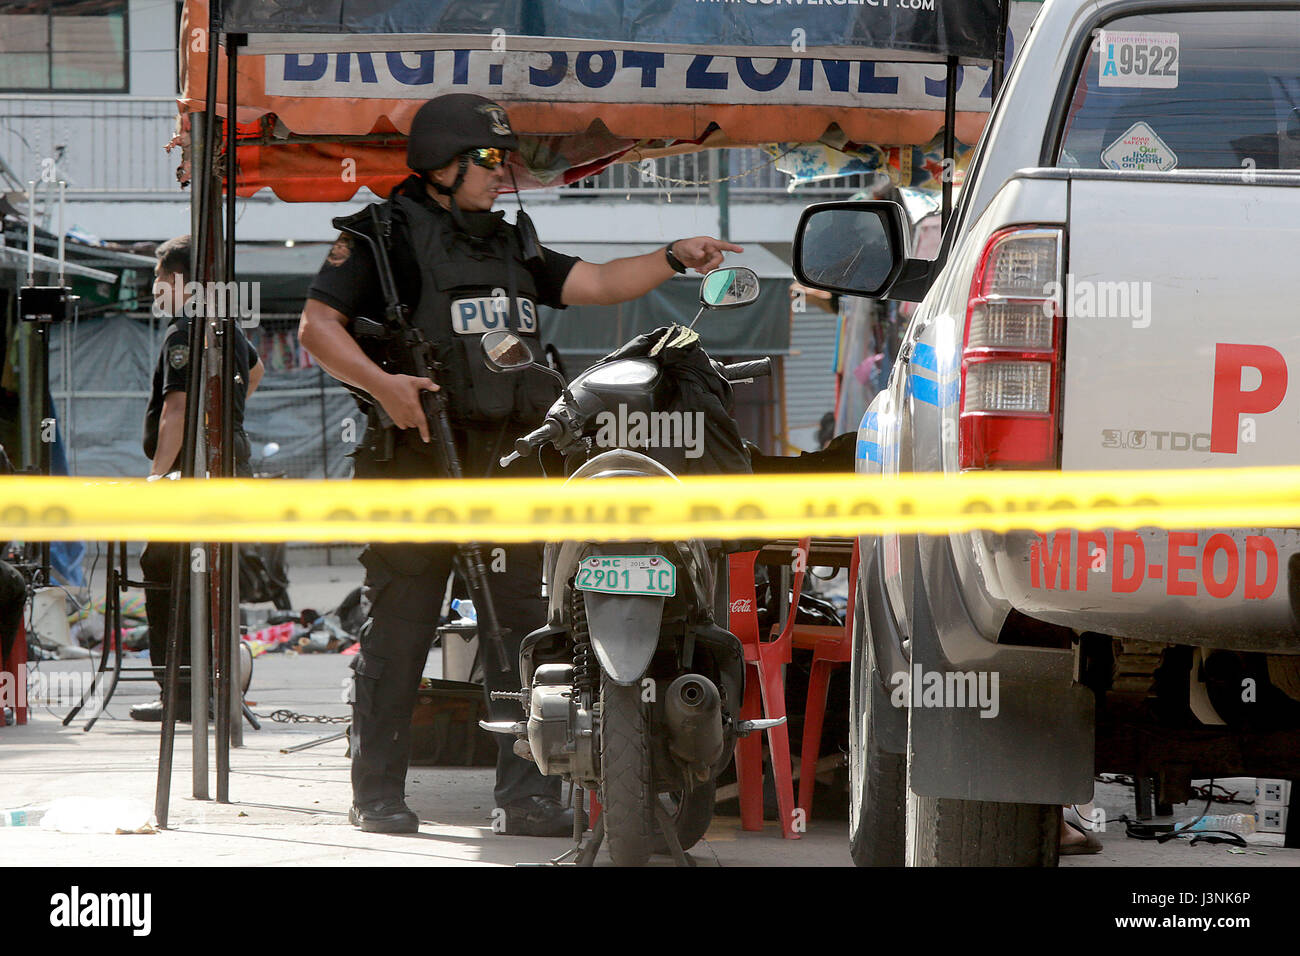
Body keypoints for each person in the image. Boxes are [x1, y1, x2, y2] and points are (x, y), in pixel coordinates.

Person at [299, 92, 741, 835]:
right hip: (417, 461)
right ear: (440, 163)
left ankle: (527, 793)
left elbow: (595, 285)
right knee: (401, 634)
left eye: (503, 158)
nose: (500, 172)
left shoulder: (510, 245)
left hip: (504, 460)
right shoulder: (383, 237)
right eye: (486, 158)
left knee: (525, 631)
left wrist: (674, 258)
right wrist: (382, 385)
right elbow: (317, 327)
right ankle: (376, 792)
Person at [132, 235, 264, 722]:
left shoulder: (184, 333)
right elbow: (257, 370)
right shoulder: (225, 326)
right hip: (230, 467)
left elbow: (176, 408)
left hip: (190, 476)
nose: (154, 287)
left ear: (182, 279)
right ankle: (209, 686)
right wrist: (227, 419)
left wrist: (157, 476)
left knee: (164, 571)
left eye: (159, 277)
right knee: (209, 576)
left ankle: (179, 694)